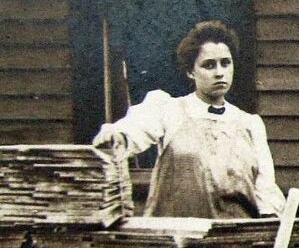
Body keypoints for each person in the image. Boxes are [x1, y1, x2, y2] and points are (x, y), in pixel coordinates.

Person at [93, 20, 285, 219]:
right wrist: (118, 136)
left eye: (225, 63)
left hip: (233, 242)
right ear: (191, 71)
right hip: (177, 238)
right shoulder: (167, 110)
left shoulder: (250, 124)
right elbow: (136, 128)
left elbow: (266, 190)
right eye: (208, 65)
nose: (219, 72)